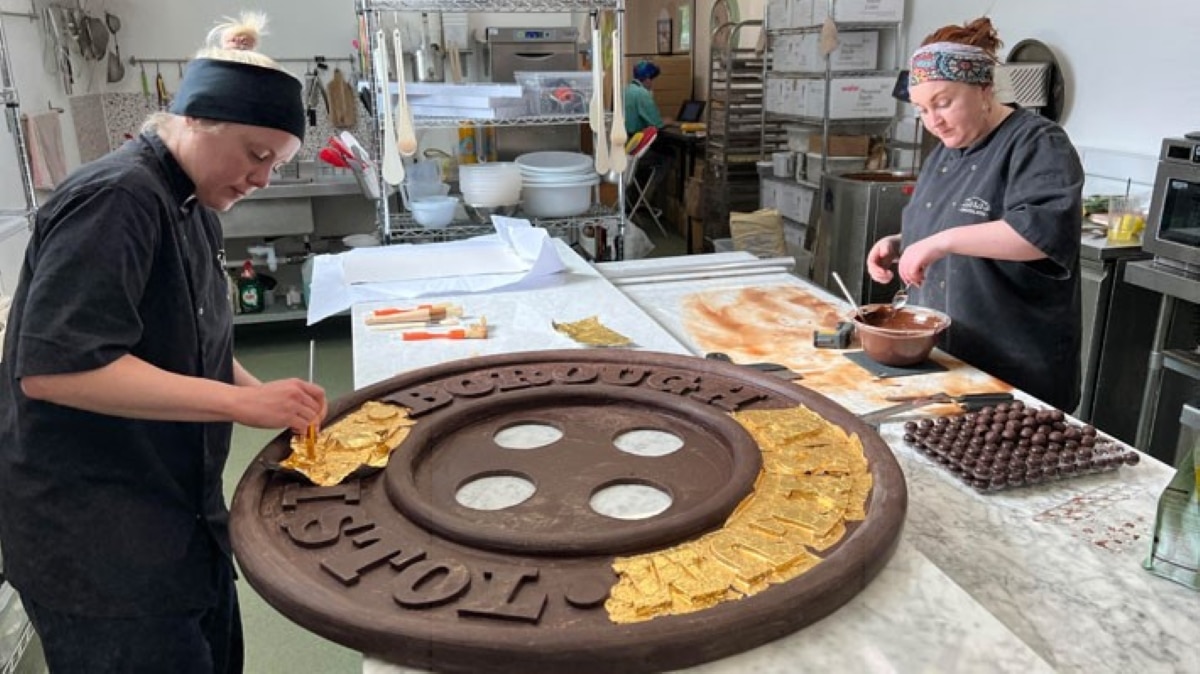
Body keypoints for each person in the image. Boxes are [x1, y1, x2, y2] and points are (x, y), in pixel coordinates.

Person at [0, 12, 326, 673]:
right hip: (98, 540)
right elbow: (57, 369)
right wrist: (240, 406)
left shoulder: (193, 204)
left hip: (179, 520)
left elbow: (196, 340)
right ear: (197, 120)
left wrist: (263, 394)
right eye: (257, 155)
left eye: (277, 163)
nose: (263, 178)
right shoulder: (117, 200)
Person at [865, 17, 1084, 411]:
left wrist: (940, 242)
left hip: (1014, 367)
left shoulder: (1037, 141)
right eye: (922, 110)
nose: (933, 121)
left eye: (943, 103)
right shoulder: (945, 153)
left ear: (985, 91)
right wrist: (900, 244)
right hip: (949, 359)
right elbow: (950, 224)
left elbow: (1040, 233)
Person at [624, 60, 664, 135]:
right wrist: (670, 122)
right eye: (653, 80)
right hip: (636, 137)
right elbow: (656, 124)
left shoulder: (626, 90)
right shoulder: (642, 93)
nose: (652, 84)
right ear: (648, 79)